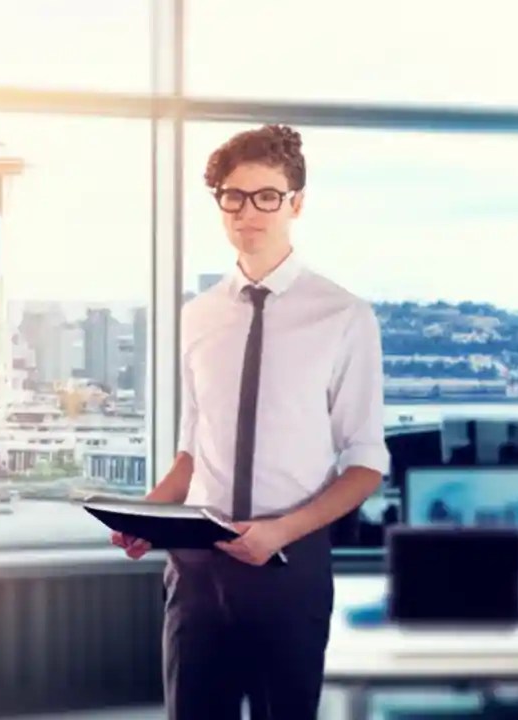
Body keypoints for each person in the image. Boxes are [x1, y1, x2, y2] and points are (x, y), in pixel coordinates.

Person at [111, 123, 390, 719]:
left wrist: (279, 533)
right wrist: (149, 515)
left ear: (296, 203)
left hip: (289, 567)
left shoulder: (343, 316)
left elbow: (366, 464)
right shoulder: (198, 316)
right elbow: (194, 450)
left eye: (267, 195)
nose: (249, 211)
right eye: (233, 196)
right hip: (195, 572)